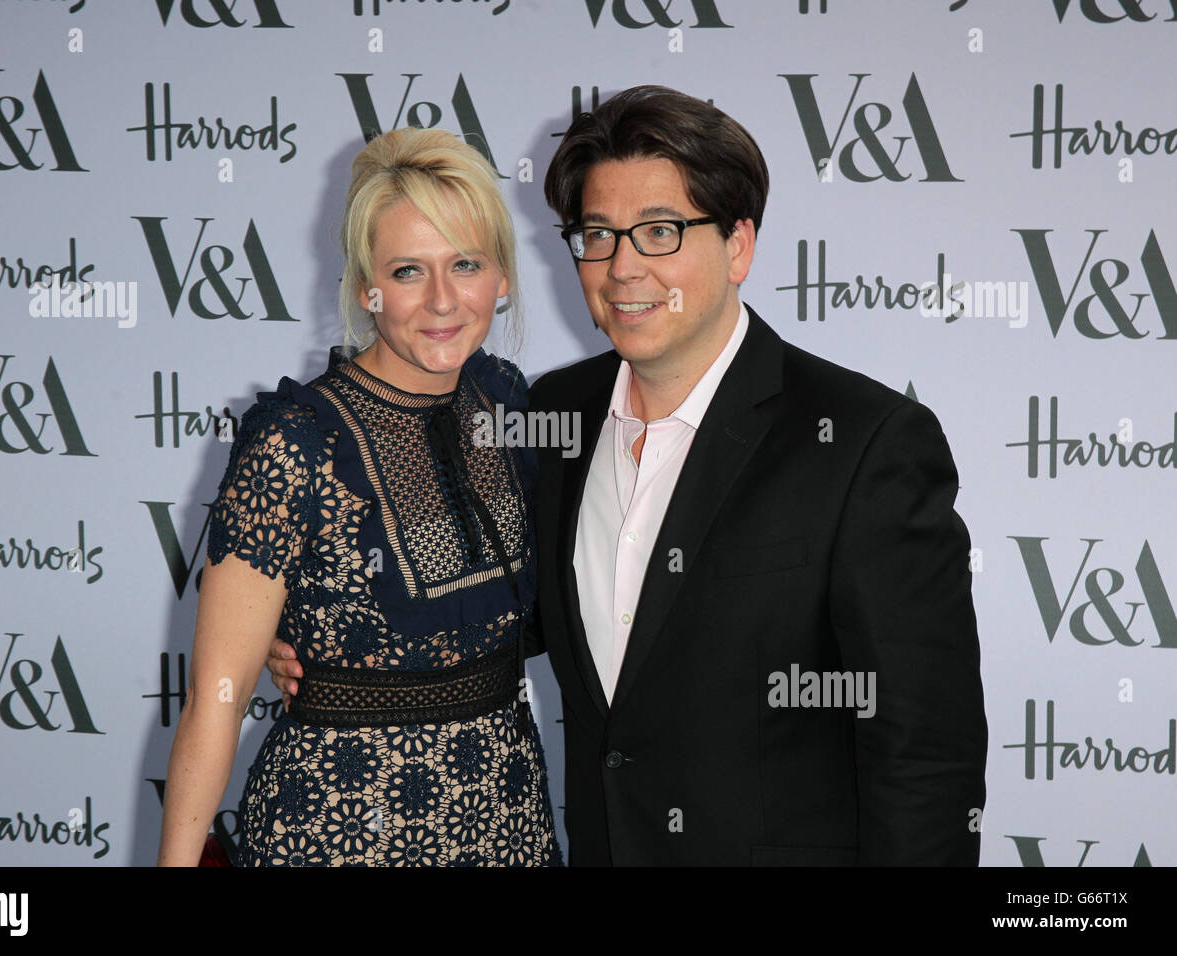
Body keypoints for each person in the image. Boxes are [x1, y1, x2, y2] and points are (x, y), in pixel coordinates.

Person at [268, 86, 988, 866]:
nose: (621, 268)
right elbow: (516, 609)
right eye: (598, 235)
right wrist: (331, 632)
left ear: (739, 245)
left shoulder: (864, 443)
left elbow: (925, 751)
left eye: (660, 231)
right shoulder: (551, 414)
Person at [157, 126, 562, 866]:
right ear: (363, 287)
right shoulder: (294, 442)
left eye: (465, 264)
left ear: (501, 277)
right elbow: (215, 707)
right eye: (408, 271)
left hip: (507, 823)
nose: (442, 300)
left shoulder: (509, 405)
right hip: (337, 832)